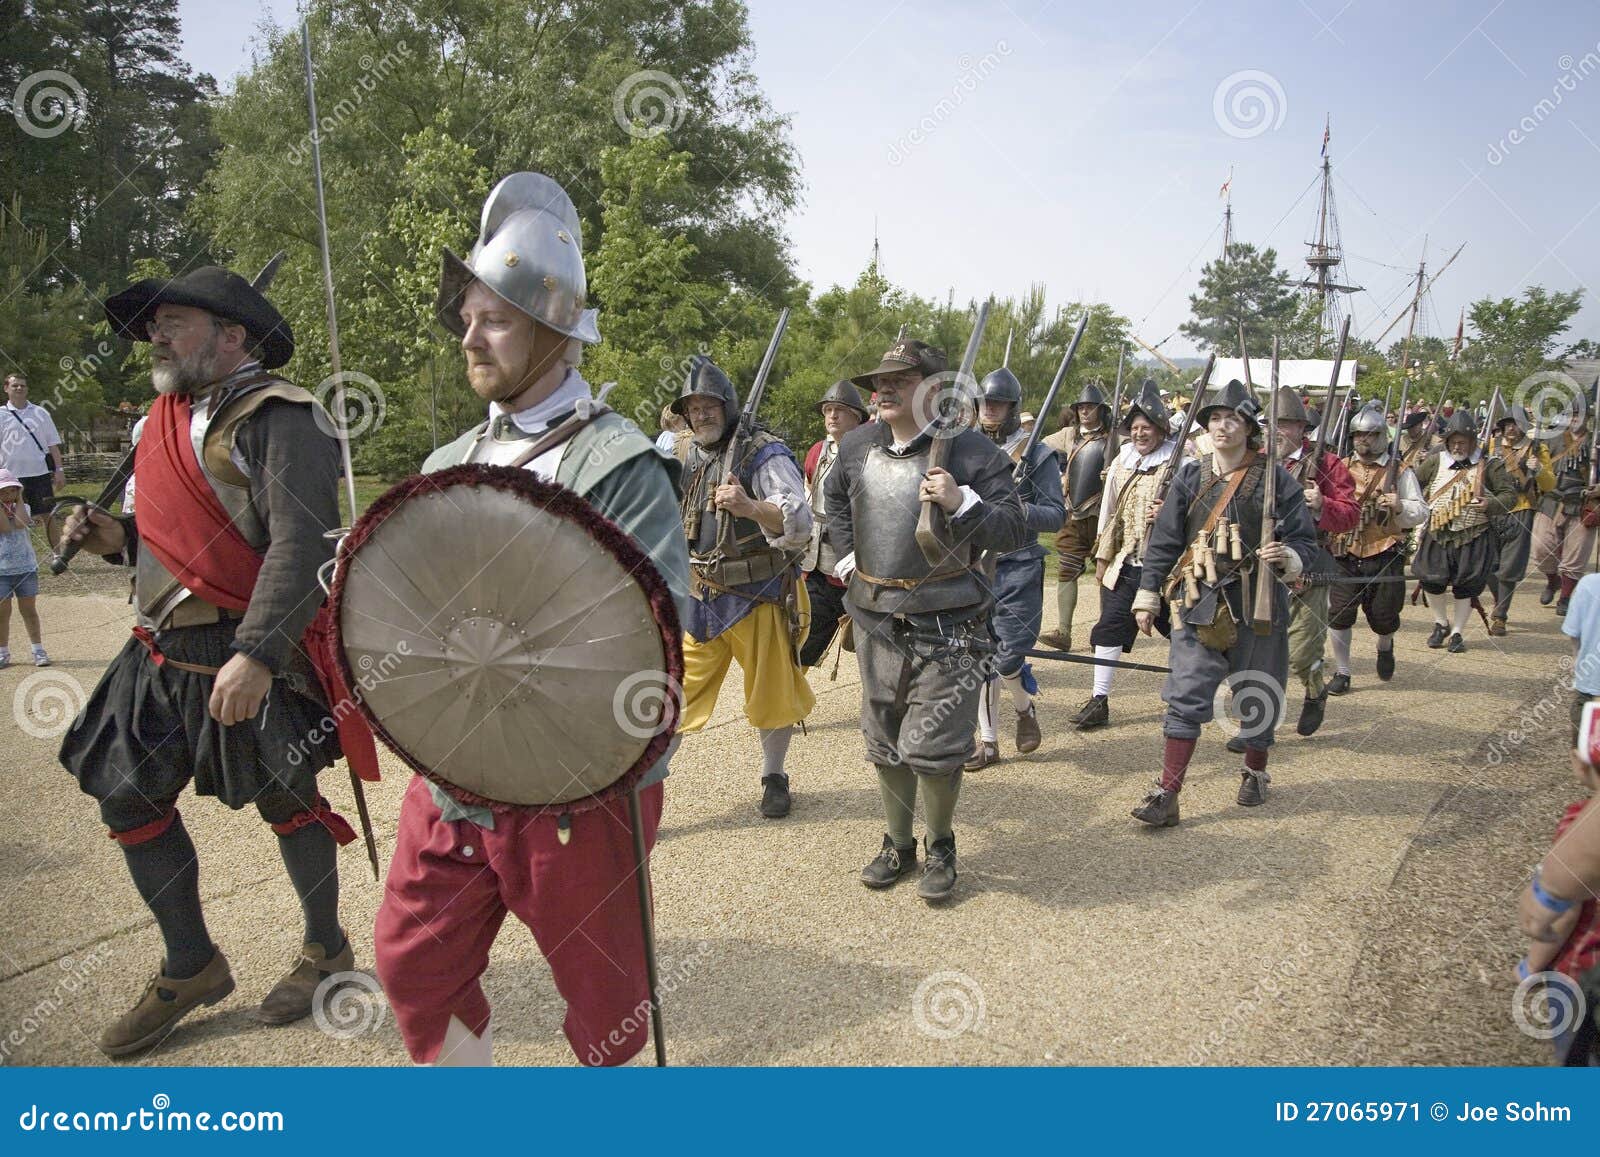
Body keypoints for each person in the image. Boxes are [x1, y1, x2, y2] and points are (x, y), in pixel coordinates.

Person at [374, 172, 693, 1067]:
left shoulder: (620, 462)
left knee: (607, 999)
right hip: (451, 777)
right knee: (411, 960)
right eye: (468, 318)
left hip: (573, 790)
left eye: (496, 319)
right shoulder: (450, 458)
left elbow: (655, 631)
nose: (469, 336)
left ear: (557, 333)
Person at [57, 265, 365, 1056]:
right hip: (159, 650)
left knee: (286, 797)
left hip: (246, 645)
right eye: (154, 322)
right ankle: (191, 960)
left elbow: (301, 547)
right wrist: (117, 541)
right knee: (125, 793)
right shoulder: (165, 418)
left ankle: (326, 946)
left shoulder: (284, 416)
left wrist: (260, 653)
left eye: (175, 321)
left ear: (233, 336)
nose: (156, 334)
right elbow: (180, 545)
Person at [826, 334, 1028, 900]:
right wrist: (848, 559)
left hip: (952, 620)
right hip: (874, 616)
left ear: (933, 390)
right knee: (883, 736)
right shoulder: (856, 446)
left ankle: (940, 845)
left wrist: (964, 504)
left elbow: (1012, 528)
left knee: (935, 745)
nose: (883, 389)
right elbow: (837, 504)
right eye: (879, 382)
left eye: (900, 379)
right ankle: (898, 842)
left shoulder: (973, 454)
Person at [1127, 378, 1319, 826]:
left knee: (1258, 694)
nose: (1223, 426)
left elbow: (1307, 544)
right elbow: (1165, 542)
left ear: (1249, 428)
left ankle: (1255, 771)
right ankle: (1167, 793)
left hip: (1260, 602)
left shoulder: (1277, 480)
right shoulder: (1190, 475)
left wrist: (1288, 555)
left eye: (1233, 418)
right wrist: (1148, 594)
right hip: (1200, 598)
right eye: (1215, 418)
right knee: (1185, 695)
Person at [672, 356, 814, 818]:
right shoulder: (687, 452)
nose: (701, 415)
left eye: (709, 406)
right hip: (701, 597)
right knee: (674, 692)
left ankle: (775, 776)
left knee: (773, 696)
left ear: (727, 406)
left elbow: (798, 521)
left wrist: (750, 506)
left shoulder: (764, 453)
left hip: (757, 595)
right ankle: (649, 785)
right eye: (693, 409)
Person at [966, 364, 1064, 768]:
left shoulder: (1037, 453)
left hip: (1019, 564)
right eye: (986, 402)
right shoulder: (966, 448)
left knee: (1007, 656)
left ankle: (1023, 708)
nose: (991, 409)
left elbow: (1056, 515)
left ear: (1012, 407)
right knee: (978, 655)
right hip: (974, 564)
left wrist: (1017, 509)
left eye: (999, 403)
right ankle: (987, 742)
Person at [1071, 380, 1179, 730]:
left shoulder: (1182, 464)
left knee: (1183, 632)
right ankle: (1099, 699)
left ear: (1161, 429)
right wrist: (1103, 558)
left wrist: (1171, 511)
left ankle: (1191, 688)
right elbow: (1110, 511)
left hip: (1168, 568)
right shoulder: (1123, 460)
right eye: (1134, 428)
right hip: (1125, 560)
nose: (1140, 433)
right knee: (1109, 628)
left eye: (1146, 427)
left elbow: (1198, 513)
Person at [1259, 388, 1357, 741]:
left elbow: (1350, 516)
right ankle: (1256, 727)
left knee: (1300, 655)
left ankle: (1315, 690)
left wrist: (1322, 504)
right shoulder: (1254, 461)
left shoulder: (1328, 464)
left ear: (1302, 427)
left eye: (1284, 424)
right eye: (1271, 424)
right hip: (1260, 566)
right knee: (1257, 651)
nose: (1277, 431)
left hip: (1309, 566)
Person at [1325, 403, 1428, 694]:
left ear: (1381, 436)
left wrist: (1399, 505)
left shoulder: (1401, 471)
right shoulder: (1340, 468)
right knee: (1339, 613)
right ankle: (1342, 671)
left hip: (1384, 552)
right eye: (1358, 435)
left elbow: (1421, 511)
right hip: (1345, 551)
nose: (1363, 440)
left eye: (1369, 435)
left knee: (1384, 618)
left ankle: (1385, 646)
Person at [1411, 410, 1518, 653]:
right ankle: (1441, 623)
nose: (1458, 446)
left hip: (1474, 532)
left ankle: (1458, 631)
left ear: (1472, 442)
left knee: (1466, 584)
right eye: (1454, 441)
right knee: (1431, 579)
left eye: (1463, 441)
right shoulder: (1435, 461)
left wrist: (1489, 504)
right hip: (1437, 530)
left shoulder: (1490, 465)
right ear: (1447, 441)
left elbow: (1509, 496)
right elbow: (1413, 484)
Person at [799, 379, 868, 668]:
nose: (832, 416)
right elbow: (806, 496)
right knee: (805, 641)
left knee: (873, 649)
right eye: (828, 409)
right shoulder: (817, 451)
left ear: (857, 416)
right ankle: (786, 708)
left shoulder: (871, 452)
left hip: (860, 562)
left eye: (840, 409)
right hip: (816, 562)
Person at [1038, 383, 1111, 651]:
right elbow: (1039, 445)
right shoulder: (1069, 435)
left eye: (1089, 407)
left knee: (1106, 573)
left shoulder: (1116, 437)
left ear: (1100, 410)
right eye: (1080, 407)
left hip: (1104, 514)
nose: (1084, 412)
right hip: (1073, 511)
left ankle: (1105, 634)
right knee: (1067, 567)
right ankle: (1064, 631)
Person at [1484, 406, 1555, 635]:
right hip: (1493, 509)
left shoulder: (1537, 448)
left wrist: (1540, 469)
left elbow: (1549, 485)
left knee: (1510, 567)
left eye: (1516, 423)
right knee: (1488, 565)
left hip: (1521, 508)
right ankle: (1499, 602)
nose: (1511, 428)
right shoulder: (1491, 446)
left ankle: (1500, 615)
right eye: (1507, 423)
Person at [1532, 411, 1600, 615]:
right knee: (1541, 548)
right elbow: (1538, 469)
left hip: (1582, 502)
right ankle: (1553, 581)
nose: (1575, 419)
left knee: (1576, 552)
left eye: (1580, 415)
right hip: (1552, 501)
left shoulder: (1596, 441)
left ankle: (1566, 596)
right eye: (1572, 415)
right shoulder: (1552, 440)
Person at [0, 468, 48, 667]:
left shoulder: (24, 508)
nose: (8, 495)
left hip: (26, 568)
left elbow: (19, 524)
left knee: (29, 611)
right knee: (3, 613)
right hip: (1, 571)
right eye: (3, 491)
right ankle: (3, 652)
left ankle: (38, 650)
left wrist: (19, 501)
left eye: (12, 490)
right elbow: (4, 527)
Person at [2, 373, 65, 512]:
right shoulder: (0, 415)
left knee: (48, 516)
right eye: (15, 385)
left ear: (27, 389)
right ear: (6, 388)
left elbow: (52, 445)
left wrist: (59, 470)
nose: (19, 388)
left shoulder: (41, 413)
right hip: (10, 476)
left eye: (22, 385)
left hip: (39, 474)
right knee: (13, 517)